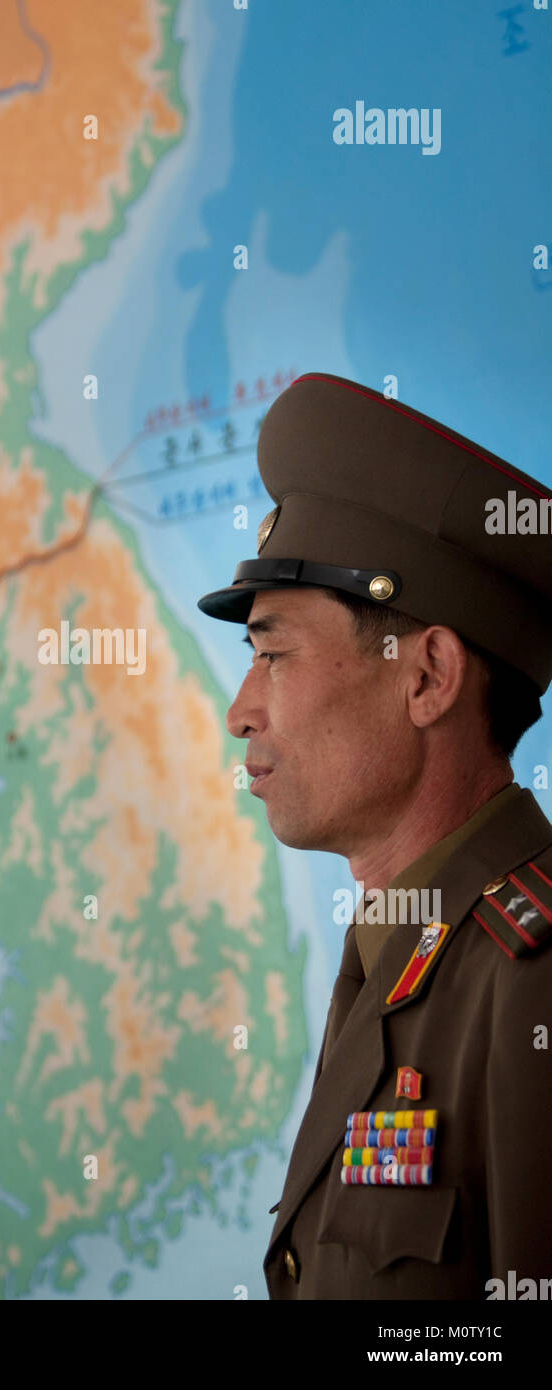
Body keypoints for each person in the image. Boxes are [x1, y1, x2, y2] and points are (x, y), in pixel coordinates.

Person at [197, 372, 552, 1299]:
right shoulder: (402, 952)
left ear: (427, 676)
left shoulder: (532, 979)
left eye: (273, 654)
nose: (241, 712)